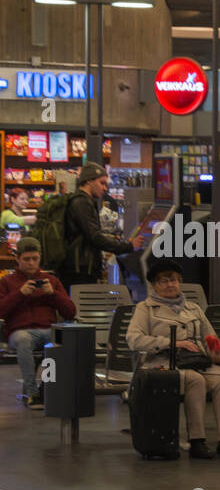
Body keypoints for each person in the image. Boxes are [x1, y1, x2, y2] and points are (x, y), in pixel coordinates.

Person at [126, 258, 220, 459]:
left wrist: (217, 351)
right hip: (163, 364)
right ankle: (197, 440)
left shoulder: (193, 308)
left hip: (197, 360)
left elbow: (210, 336)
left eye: (173, 280)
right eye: (163, 281)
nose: (169, 285)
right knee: (195, 380)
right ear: (154, 286)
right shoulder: (145, 309)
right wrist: (171, 343)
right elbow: (134, 339)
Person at [0, 236, 76, 407]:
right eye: (26, 259)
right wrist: (19, 294)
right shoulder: (7, 282)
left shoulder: (52, 281)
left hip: (48, 329)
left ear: (40, 257)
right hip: (20, 331)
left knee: (58, 342)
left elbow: (70, 312)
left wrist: (53, 294)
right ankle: (32, 392)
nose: (31, 263)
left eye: (35, 258)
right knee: (24, 340)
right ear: (17, 259)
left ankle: (47, 388)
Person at [62, 162, 145, 287]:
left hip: (82, 268)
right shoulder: (81, 203)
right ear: (89, 181)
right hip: (80, 270)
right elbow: (94, 236)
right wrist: (127, 247)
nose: (105, 188)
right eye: (102, 183)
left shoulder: (85, 201)